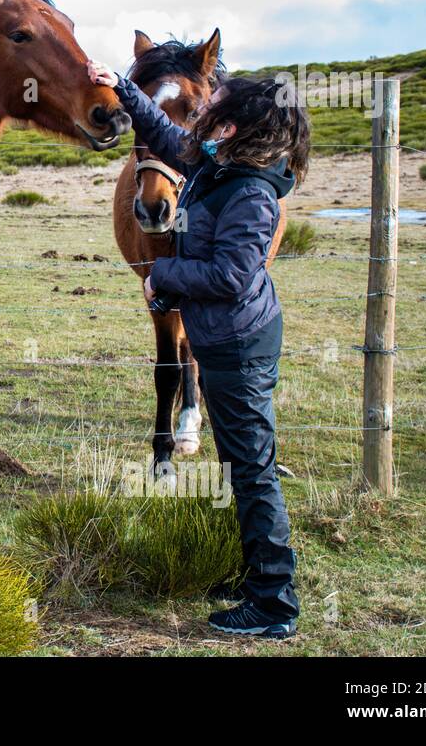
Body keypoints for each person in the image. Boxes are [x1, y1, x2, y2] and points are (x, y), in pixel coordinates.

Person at [91, 60, 310, 638]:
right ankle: (255, 578)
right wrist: (119, 84)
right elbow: (164, 134)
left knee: (252, 470)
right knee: (240, 463)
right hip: (224, 339)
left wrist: (163, 275)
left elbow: (231, 276)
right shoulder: (218, 162)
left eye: (216, 102)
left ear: (231, 126)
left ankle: (273, 605)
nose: (206, 106)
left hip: (239, 345)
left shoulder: (252, 194)